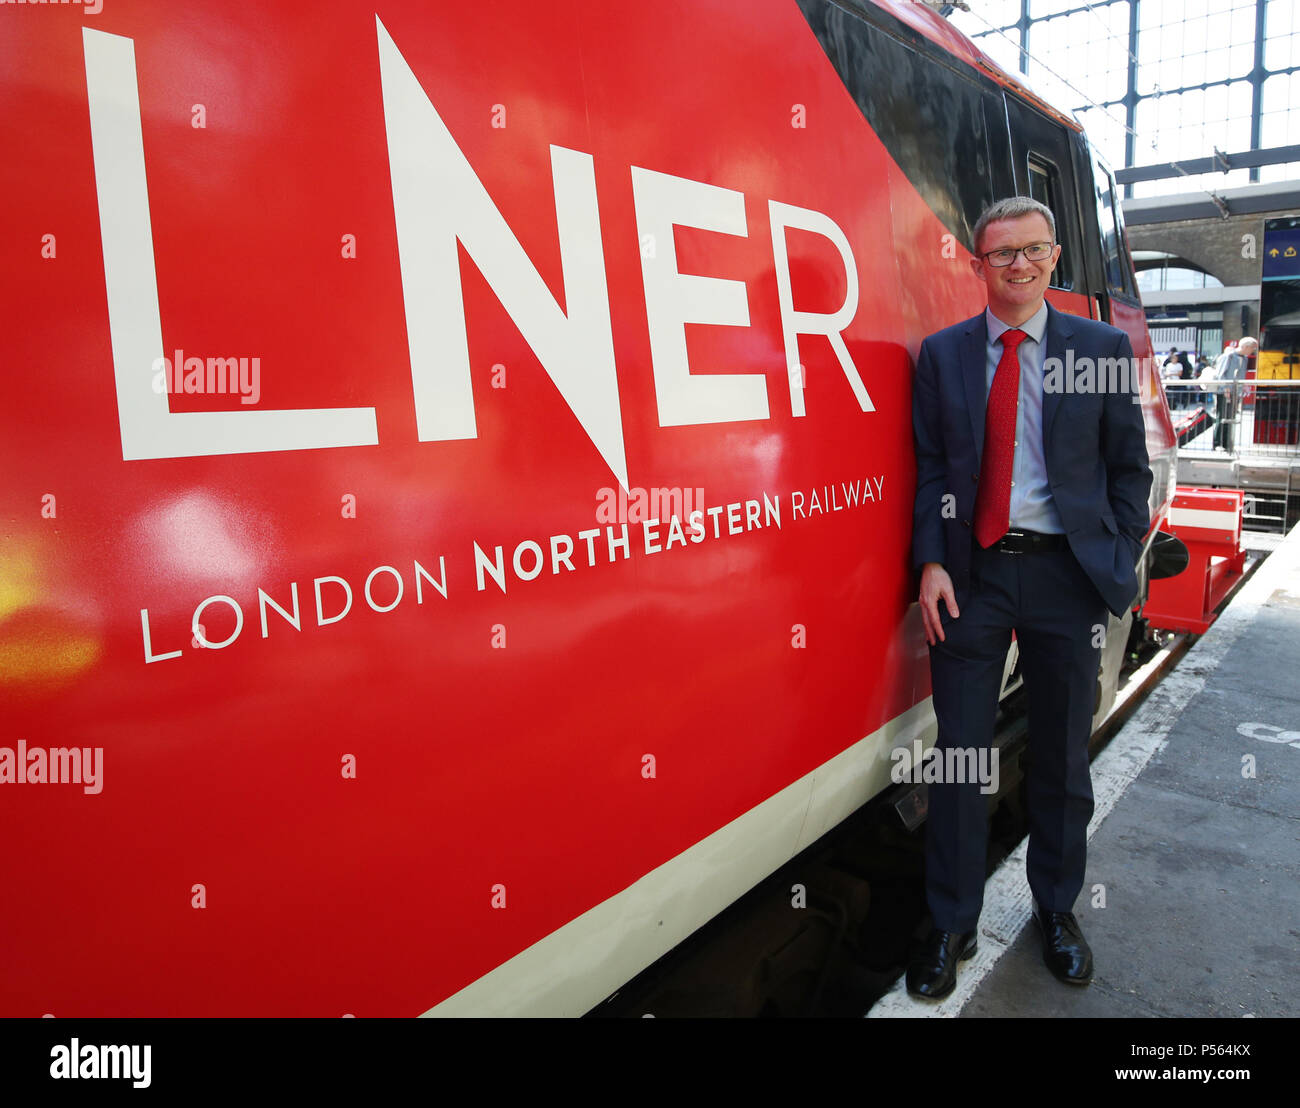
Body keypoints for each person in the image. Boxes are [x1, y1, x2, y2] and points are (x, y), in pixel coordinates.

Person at [908, 196, 1152, 999]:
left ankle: (1055, 912)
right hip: (973, 579)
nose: (1015, 265)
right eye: (998, 253)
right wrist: (932, 563)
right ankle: (951, 922)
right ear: (977, 264)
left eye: (1030, 251)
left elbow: (1129, 470)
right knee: (959, 760)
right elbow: (935, 472)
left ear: (1053, 258)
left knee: (1059, 758)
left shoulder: (1101, 347)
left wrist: (1108, 553)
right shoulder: (942, 356)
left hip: (1064, 581)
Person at [1209, 337, 1258, 451]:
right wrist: (1225, 388)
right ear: (1245, 347)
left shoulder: (1245, 359)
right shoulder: (1228, 356)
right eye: (1252, 348)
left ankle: (1227, 443)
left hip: (1236, 392)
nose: (1252, 351)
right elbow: (1221, 374)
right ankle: (1217, 443)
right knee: (1222, 416)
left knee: (1231, 417)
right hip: (1224, 392)